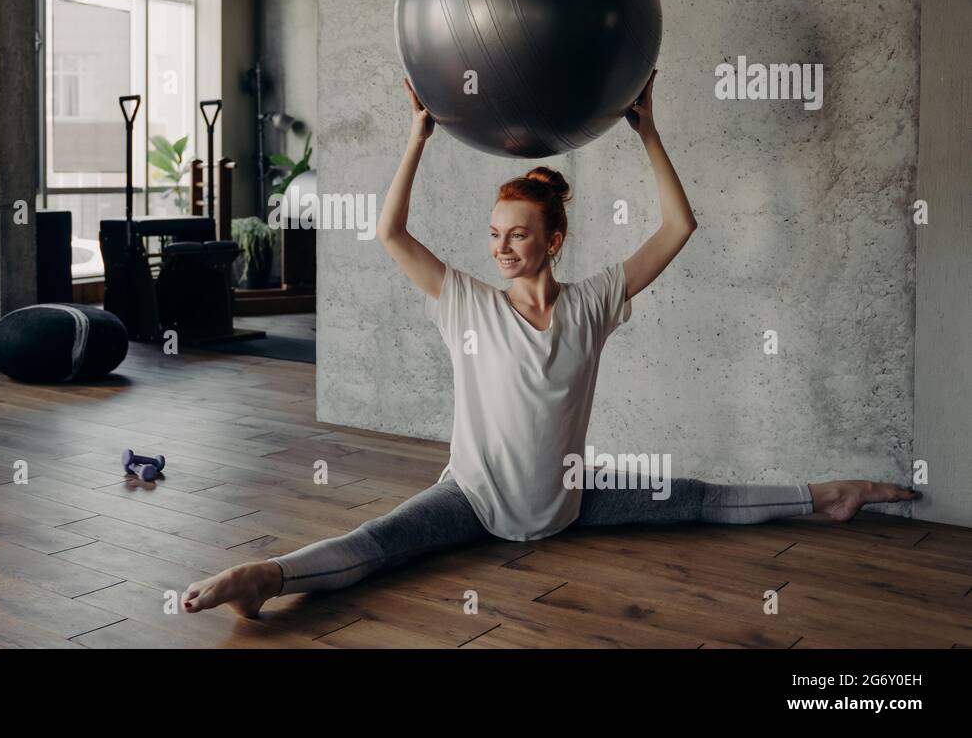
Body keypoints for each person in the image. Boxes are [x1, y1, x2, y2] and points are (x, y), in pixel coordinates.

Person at [181, 71, 920, 618]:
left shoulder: (594, 301)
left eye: (518, 235)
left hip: (571, 503)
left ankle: (829, 496)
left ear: (553, 241)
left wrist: (647, 131)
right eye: (495, 235)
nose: (502, 248)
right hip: (472, 500)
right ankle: (265, 577)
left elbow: (677, 229)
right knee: (382, 543)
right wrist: (417, 137)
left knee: (697, 498)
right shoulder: (465, 303)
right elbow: (390, 234)